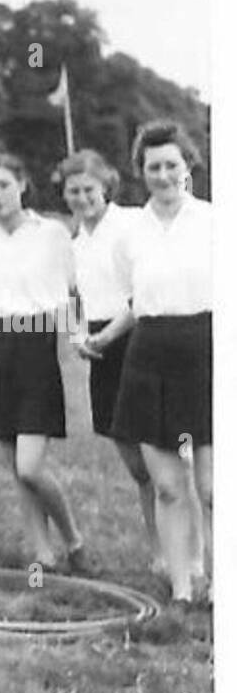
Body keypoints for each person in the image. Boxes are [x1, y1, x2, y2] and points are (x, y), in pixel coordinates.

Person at [57, 149, 203, 578]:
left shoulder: (130, 226)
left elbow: (141, 295)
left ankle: (192, 558)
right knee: (138, 464)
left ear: (106, 187)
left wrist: (109, 333)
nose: (82, 198)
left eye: (89, 189)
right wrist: (75, 334)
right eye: (73, 192)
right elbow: (69, 297)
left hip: (141, 339)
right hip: (102, 347)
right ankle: (158, 549)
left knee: (173, 460)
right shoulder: (74, 242)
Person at [0, 152, 92, 573]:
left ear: (22, 185)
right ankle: (42, 554)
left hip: (36, 347)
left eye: (3, 185)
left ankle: (73, 541)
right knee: (14, 466)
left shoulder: (52, 234)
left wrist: (74, 336)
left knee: (31, 467)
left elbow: (71, 294)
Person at [102, 121, 212, 619]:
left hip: (207, 349)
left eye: (172, 164)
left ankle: (219, 582)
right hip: (149, 354)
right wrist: (104, 339)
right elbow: (133, 301)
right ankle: (182, 590)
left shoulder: (215, 221)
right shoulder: (129, 230)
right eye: (153, 166)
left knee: (213, 487)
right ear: (140, 172)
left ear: (188, 166)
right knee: (166, 484)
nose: (163, 174)